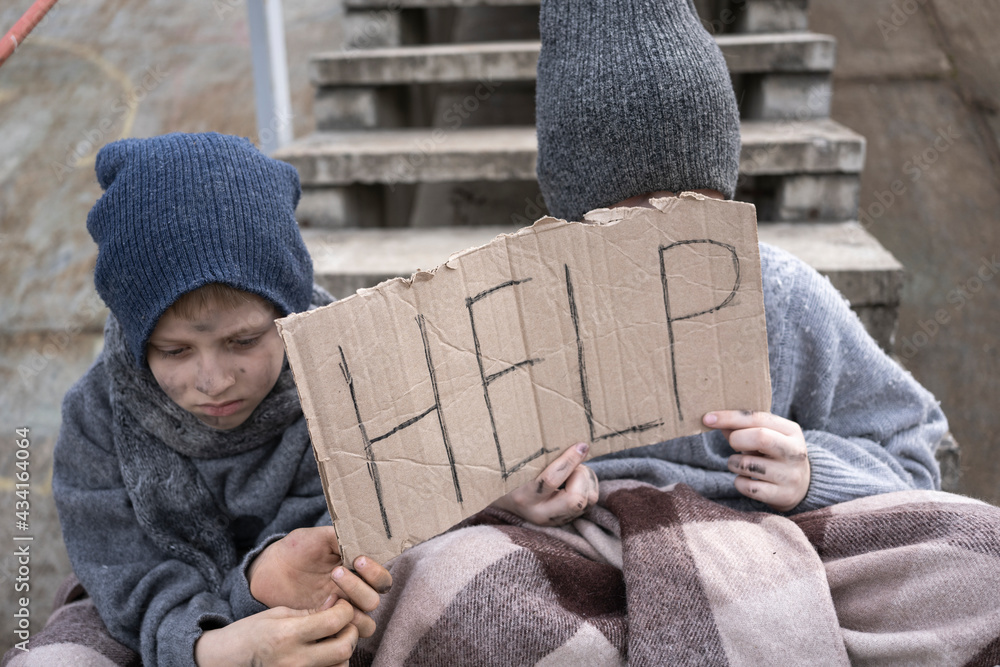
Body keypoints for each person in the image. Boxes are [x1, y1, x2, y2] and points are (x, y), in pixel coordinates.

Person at [345, 0, 1000, 663]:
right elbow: (402, 502)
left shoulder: (781, 291)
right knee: (445, 588)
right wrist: (508, 494)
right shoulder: (507, 310)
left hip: (775, 539)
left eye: (691, 218)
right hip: (571, 556)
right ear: (570, 222)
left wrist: (813, 473)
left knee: (980, 553)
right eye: (624, 230)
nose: (660, 251)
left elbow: (913, 451)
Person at [2, 133, 391, 667]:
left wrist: (265, 582)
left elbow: (373, 513)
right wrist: (209, 648)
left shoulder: (342, 370)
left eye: (244, 341)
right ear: (138, 337)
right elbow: (124, 575)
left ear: (290, 313)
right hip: (141, 619)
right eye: (174, 350)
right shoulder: (95, 416)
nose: (213, 381)